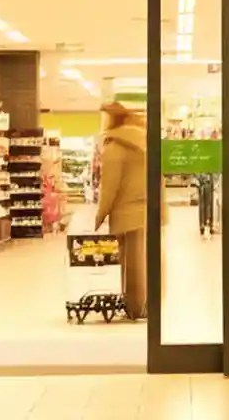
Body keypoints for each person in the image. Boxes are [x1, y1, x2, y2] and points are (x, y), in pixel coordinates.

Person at [94, 101, 148, 320]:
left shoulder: (115, 146)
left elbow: (110, 186)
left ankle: (135, 308)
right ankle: (146, 305)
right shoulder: (145, 141)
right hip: (148, 209)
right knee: (146, 260)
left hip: (127, 212)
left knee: (132, 264)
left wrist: (100, 215)